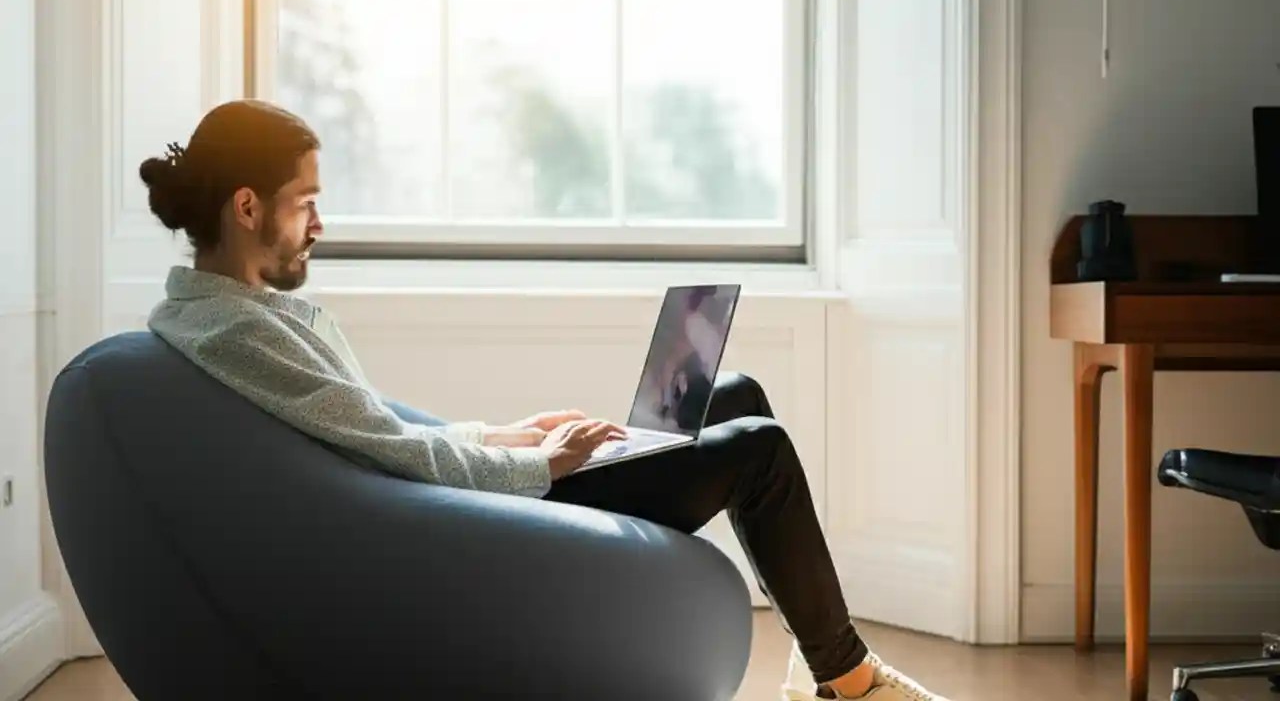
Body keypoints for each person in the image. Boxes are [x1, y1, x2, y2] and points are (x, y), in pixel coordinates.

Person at [141, 100, 948, 701]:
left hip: (454, 493)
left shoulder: (238, 314)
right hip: (466, 522)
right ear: (247, 207)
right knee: (758, 448)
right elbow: (389, 453)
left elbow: (374, 429)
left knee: (732, 393)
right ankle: (848, 681)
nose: (320, 223)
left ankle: (826, 669)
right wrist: (533, 463)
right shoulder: (236, 333)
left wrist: (515, 429)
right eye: (305, 201)